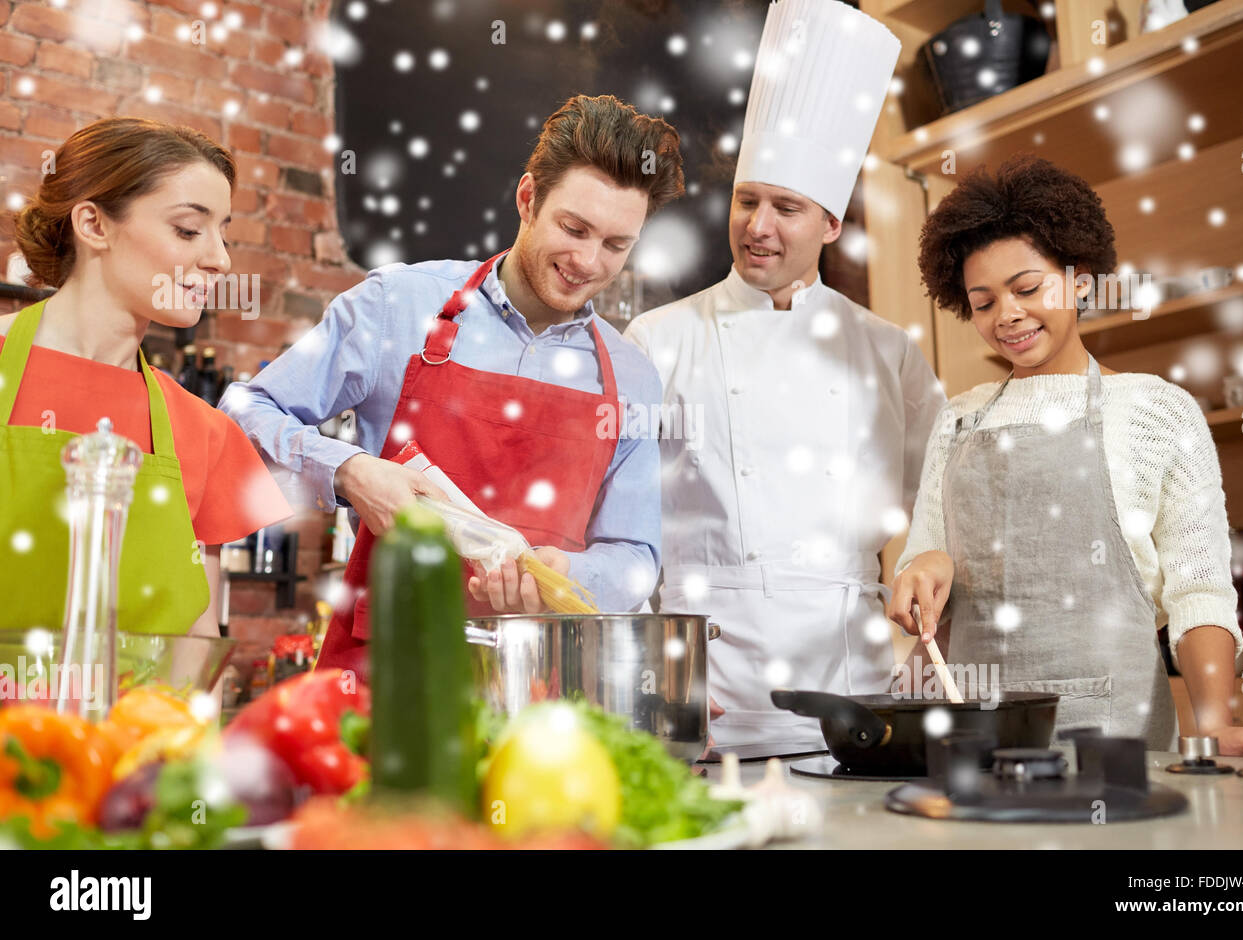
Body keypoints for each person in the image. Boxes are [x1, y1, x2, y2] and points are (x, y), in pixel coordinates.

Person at [222, 95, 684, 679]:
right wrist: (349, 471)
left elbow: (636, 556)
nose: (589, 261)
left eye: (616, 245)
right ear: (528, 199)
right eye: (574, 228)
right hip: (382, 678)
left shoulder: (632, 378)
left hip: (537, 691)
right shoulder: (397, 307)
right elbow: (242, 408)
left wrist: (566, 576)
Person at [625, 0, 946, 748]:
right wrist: (650, 686)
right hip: (713, 687)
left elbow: (940, 497)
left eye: (786, 208)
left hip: (858, 682)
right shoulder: (658, 338)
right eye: (747, 201)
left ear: (831, 223)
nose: (758, 227)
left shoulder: (886, 349)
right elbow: (623, 524)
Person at [888, 154, 1243, 755]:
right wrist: (924, 572)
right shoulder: (958, 417)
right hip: (974, 737)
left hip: (1115, 739)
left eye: (1028, 288)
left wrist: (1215, 719)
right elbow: (928, 556)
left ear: (1081, 278)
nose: (1007, 315)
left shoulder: (1157, 410)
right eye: (982, 303)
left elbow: (1200, 589)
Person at [0, 117, 292, 637]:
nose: (221, 260)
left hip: (134, 718)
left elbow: (197, 641)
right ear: (93, 225)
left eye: (223, 232)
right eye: (187, 229)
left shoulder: (204, 431)